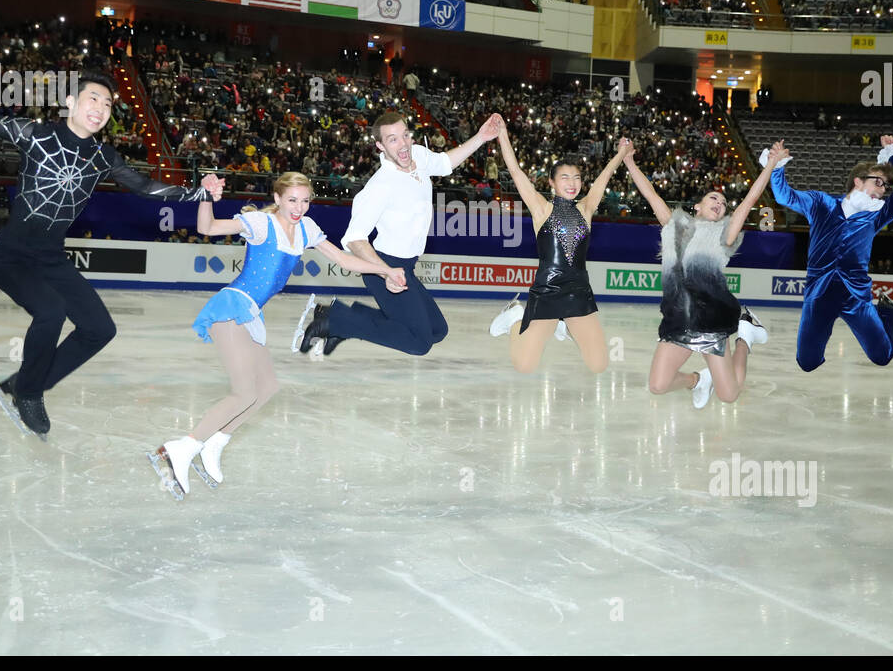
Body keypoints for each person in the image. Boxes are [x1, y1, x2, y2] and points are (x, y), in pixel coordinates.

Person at [0, 63, 215, 438]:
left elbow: (146, 187)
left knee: (100, 328)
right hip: (9, 255)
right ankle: (29, 394)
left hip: (51, 258)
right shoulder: (35, 134)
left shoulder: (105, 157)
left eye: (107, 104)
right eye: (93, 98)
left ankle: (26, 379)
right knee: (50, 311)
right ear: (71, 101)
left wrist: (199, 192)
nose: (100, 108)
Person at [149, 172, 406, 500]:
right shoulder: (260, 223)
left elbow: (343, 259)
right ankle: (180, 449)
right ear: (278, 198)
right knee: (243, 393)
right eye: (292, 200)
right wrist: (206, 198)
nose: (299, 207)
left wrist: (385, 270)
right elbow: (208, 228)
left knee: (267, 388)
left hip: (251, 314)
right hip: (232, 307)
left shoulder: (307, 229)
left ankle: (215, 443)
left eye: (305, 200)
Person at [295, 111, 498, 357]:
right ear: (380, 146)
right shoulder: (380, 186)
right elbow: (353, 238)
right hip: (383, 266)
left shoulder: (419, 156)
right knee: (419, 343)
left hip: (406, 267)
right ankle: (336, 323)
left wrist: (481, 137)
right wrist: (385, 271)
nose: (403, 144)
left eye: (405, 136)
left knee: (437, 329)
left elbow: (445, 163)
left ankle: (339, 317)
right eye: (393, 139)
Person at [622, 138, 774, 407]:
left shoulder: (724, 234)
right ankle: (696, 381)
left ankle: (746, 337)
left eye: (724, 203)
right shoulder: (674, 227)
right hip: (679, 319)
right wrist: (629, 162)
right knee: (658, 385)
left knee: (729, 395)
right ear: (698, 207)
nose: (720, 203)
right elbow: (651, 194)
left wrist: (770, 165)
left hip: (711, 322)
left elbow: (750, 200)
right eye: (713, 198)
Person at [766, 135, 893, 371]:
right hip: (819, 295)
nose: (883, 189)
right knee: (807, 363)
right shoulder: (821, 204)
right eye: (878, 182)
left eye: (886, 186)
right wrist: (776, 167)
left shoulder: (876, 215)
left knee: (882, 356)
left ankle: (886, 311)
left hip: (855, 296)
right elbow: (784, 196)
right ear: (858, 181)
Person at [487, 121, 626, 374]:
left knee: (599, 364)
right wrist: (503, 136)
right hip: (548, 291)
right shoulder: (542, 208)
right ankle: (515, 318)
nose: (572, 183)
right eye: (564, 177)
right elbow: (516, 172)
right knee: (524, 366)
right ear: (551, 182)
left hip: (578, 292)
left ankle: (565, 324)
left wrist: (620, 154)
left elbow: (604, 177)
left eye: (576, 178)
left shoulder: (586, 209)